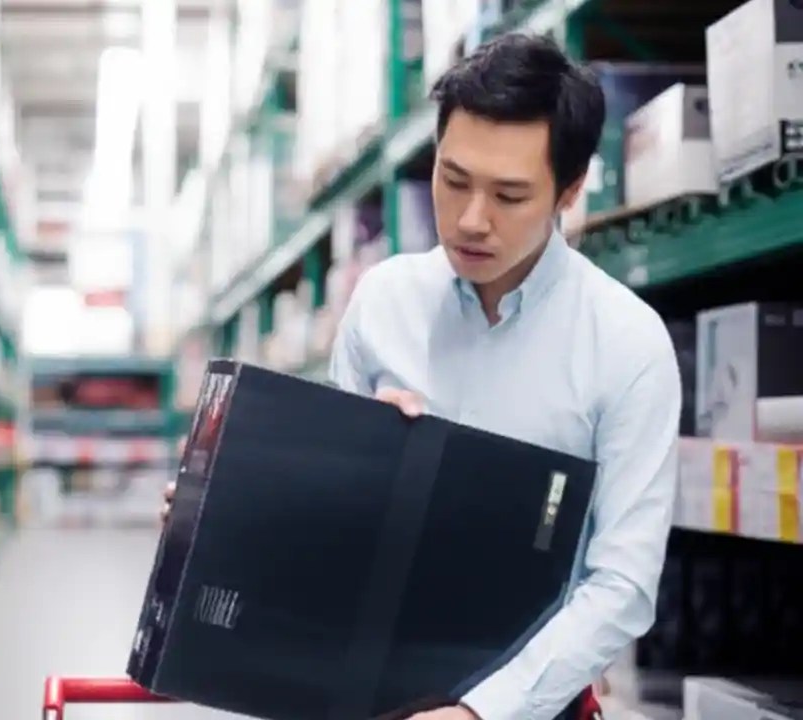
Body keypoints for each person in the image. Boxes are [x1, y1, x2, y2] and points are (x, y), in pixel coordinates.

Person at [162, 31, 680, 720]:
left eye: (510, 195)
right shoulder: (383, 302)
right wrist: (221, 517)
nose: (471, 220)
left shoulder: (626, 345)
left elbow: (622, 585)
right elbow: (323, 541)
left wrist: (479, 713)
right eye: (453, 179)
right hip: (360, 695)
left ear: (571, 188)